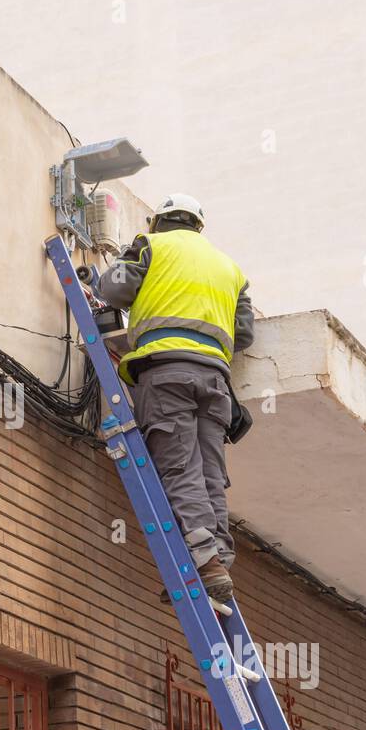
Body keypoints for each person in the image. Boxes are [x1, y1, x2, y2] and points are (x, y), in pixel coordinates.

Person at [96, 193, 254, 601]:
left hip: (165, 373)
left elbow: (113, 290)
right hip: (215, 381)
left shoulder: (152, 245)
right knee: (210, 476)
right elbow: (245, 334)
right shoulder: (231, 269)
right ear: (199, 226)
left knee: (179, 467)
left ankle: (204, 560)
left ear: (158, 221)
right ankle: (215, 559)